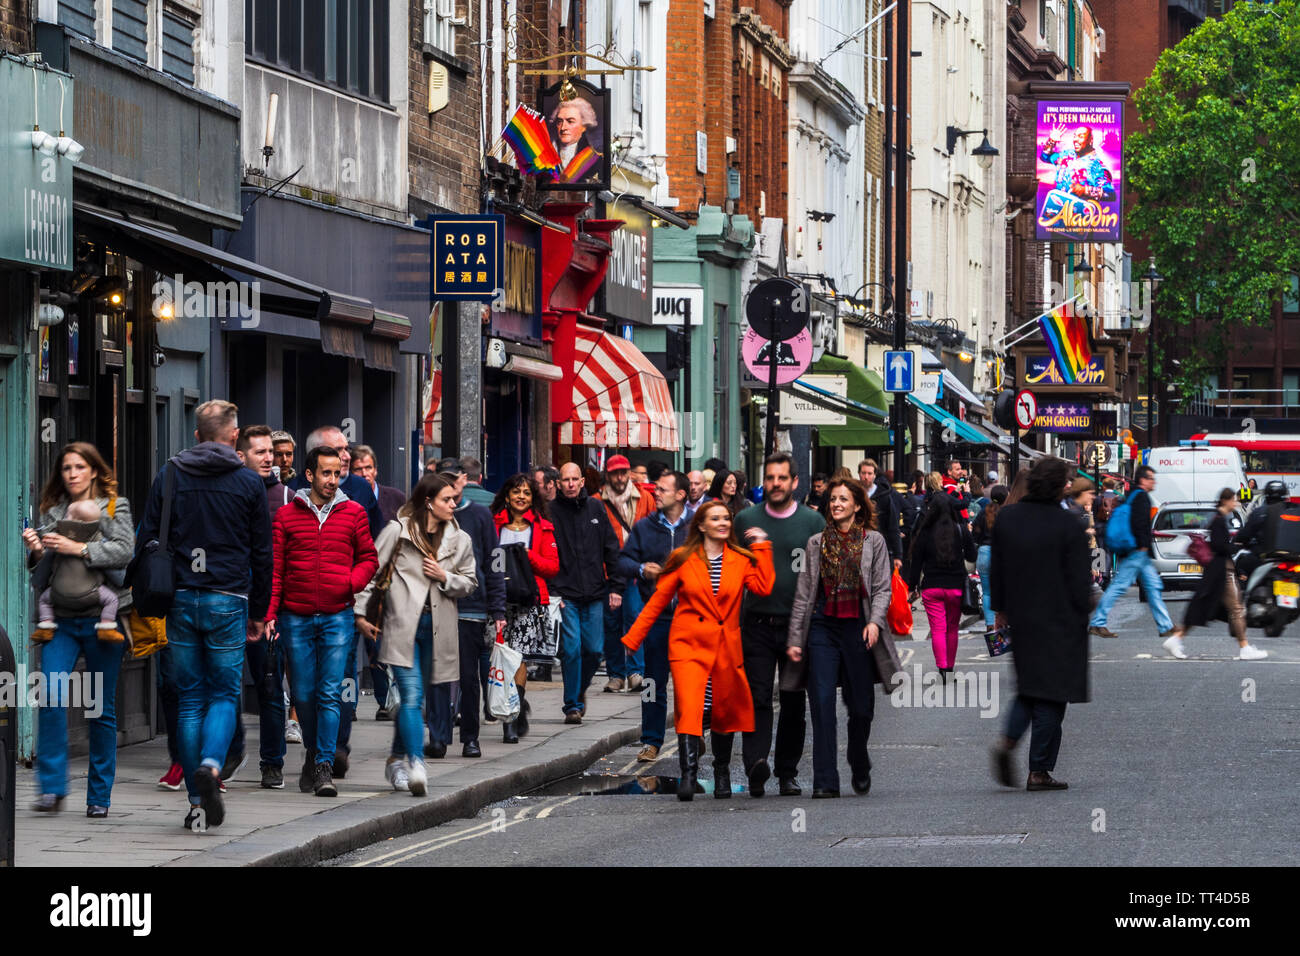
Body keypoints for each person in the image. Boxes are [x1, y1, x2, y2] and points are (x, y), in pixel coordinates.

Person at [135, 400, 272, 829]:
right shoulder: (249, 483)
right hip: (228, 599)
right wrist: (261, 610)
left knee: (190, 699)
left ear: (196, 436)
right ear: (234, 437)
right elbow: (263, 554)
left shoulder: (170, 473)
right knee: (224, 695)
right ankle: (212, 766)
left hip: (180, 598)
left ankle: (196, 799)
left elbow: (145, 538)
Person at [622, 502, 774, 801]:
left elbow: (764, 587)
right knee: (690, 707)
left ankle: (721, 772)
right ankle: (688, 774)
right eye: (715, 518)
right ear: (701, 525)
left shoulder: (741, 559)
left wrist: (762, 547)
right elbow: (657, 601)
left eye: (726, 518)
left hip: (725, 646)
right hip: (688, 644)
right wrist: (633, 639)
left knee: (723, 712)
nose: (723, 523)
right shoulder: (682, 558)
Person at [22, 443, 135, 817]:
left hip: (103, 619)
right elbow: (40, 573)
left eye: (79, 467)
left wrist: (79, 547)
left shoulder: (114, 506)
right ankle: (52, 789)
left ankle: (98, 797)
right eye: (66, 467)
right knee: (51, 695)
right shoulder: (52, 512)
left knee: (99, 709)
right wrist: (37, 549)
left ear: (93, 471)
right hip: (62, 621)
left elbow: (124, 552)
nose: (71, 473)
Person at [267, 444, 378, 796]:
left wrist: (349, 583)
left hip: (337, 616)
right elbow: (276, 571)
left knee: (330, 693)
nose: (332, 480)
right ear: (310, 475)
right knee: (302, 694)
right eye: (326, 473)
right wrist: (270, 614)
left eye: (337, 473)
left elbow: (369, 559)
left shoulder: (354, 512)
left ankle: (323, 766)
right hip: (295, 617)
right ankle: (314, 753)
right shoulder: (286, 516)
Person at [356, 474, 477, 796]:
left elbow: (470, 583)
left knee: (415, 701)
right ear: (428, 502)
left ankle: (396, 760)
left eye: (454, 499)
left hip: (438, 630)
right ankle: (416, 763)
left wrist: (445, 576)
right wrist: (358, 612)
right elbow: (372, 570)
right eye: (447, 500)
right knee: (411, 698)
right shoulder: (398, 530)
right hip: (400, 626)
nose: (454, 504)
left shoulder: (460, 539)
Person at [786, 478, 898, 798]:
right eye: (832, 499)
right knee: (821, 703)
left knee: (861, 708)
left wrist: (875, 622)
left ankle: (858, 759)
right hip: (823, 627)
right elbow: (804, 593)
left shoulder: (873, 541)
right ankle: (825, 780)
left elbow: (882, 588)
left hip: (858, 628)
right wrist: (796, 638)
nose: (836, 504)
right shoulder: (816, 543)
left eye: (843, 499)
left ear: (857, 505)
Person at [989, 457, 1092, 791]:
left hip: (1022, 617)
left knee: (1028, 687)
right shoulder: (1069, 525)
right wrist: (1087, 607)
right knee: (1052, 694)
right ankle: (1039, 771)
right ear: (1055, 485)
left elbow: (997, 569)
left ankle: (1007, 741)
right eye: (1065, 482)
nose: (1068, 486)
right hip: (1060, 620)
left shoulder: (1008, 517)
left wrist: (1000, 609)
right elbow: (1078, 581)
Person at [733, 453, 826, 797]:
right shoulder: (745, 519)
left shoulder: (813, 523)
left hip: (797, 625)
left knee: (792, 700)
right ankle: (756, 765)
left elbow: (823, 574)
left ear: (794, 482)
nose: (775, 484)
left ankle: (787, 772)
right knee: (756, 697)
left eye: (782, 478)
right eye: (770, 478)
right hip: (756, 622)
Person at [228, 424, 290, 789]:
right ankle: (232, 750)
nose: (270, 458)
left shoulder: (284, 496)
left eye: (272, 451)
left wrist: (270, 611)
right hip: (230, 601)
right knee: (225, 684)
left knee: (269, 685)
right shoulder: (231, 492)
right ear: (241, 455)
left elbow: (283, 561)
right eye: (261, 452)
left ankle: (272, 762)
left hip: (266, 609)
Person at [429, 467, 506, 758]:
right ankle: (438, 736)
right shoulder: (431, 515)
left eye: (454, 482)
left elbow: (493, 562)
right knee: (439, 675)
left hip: (471, 607)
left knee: (469, 677)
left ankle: (470, 738)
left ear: (463, 481)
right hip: (437, 606)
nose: (450, 490)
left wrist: (497, 607)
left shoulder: (480, 516)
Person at [617, 470, 692, 762]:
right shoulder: (645, 527)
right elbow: (622, 560)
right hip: (658, 617)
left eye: (662, 489)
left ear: (681, 494)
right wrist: (640, 569)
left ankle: (689, 735)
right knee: (652, 682)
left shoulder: (696, 526)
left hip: (690, 617)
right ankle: (651, 740)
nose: (655, 493)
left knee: (688, 682)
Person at [550, 462, 624, 723]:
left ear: (582, 481)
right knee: (571, 650)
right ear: (558, 483)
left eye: (574, 479)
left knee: (593, 650)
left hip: (594, 591)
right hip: (565, 593)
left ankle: (578, 690)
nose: (570, 484)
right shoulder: (551, 512)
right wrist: (551, 591)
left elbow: (611, 549)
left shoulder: (596, 508)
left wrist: (616, 587)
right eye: (565, 479)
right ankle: (572, 704)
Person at [492, 474, 560, 742]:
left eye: (527, 493)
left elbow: (553, 567)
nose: (521, 496)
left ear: (533, 498)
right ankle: (511, 708)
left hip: (529, 602)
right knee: (500, 657)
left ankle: (512, 715)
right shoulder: (493, 524)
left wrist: (525, 555)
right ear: (507, 496)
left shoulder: (543, 528)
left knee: (519, 657)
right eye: (516, 491)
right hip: (499, 602)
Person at [1164, 489, 1268, 661]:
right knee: (1236, 609)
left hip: (1219, 571)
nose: (1235, 503)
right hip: (1222, 572)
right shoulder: (1218, 521)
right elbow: (1220, 546)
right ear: (1225, 501)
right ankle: (1245, 648)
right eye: (1233, 500)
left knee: (1202, 607)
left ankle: (1176, 639)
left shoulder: (1219, 520)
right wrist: (1236, 547)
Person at [1089, 465, 1177, 639]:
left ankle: (1165, 625)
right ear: (1143, 480)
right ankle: (1097, 622)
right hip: (1136, 550)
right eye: (1151, 478)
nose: (1154, 482)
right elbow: (1140, 524)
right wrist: (1143, 546)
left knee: (1152, 587)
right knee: (1119, 586)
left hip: (1129, 548)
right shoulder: (1142, 497)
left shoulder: (1131, 496)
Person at [31, 498, 123, 644]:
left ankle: (45, 627)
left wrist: (39, 547)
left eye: (67, 514)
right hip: (93, 593)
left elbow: (39, 576)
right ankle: (106, 627)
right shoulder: (99, 541)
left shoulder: (56, 539)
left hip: (57, 593)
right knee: (112, 600)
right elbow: (121, 579)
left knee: (43, 601)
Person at [599, 454, 654, 692]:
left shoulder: (645, 498)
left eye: (623, 472)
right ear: (608, 475)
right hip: (607, 572)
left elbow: (653, 529)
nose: (620, 477)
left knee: (634, 619)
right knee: (611, 624)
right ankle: (616, 674)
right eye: (615, 473)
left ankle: (635, 671)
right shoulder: (597, 501)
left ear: (629, 473)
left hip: (633, 571)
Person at [907, 490, 976, 677]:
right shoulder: (961, 529)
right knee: (952, 628)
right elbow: (972, 555)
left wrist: (912, 587)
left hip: (932, 588)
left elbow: (916, 564)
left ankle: (942, 667)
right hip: (955, 587)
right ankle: (950, 667)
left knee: (937, 629)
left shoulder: (924, 532)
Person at [286, 426, 383, 540]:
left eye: (347, 449)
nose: (347, 456)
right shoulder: (292, 491)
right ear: (315, 453)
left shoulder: (362, 487)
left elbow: (377, 535)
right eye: (338, 450)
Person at [1040, 124, 1116, 202]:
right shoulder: (1066, 155)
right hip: (1055, 209)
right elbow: (1044, 157)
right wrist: (1051, 141)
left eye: (1080, 136)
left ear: (1090, 140)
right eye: (1075, 136)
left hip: (1079, 212)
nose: (1075, 139)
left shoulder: (1097, 166)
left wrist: (1085, 190)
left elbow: (1110, 195)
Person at [971, 484, 1008, 636]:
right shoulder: (1006, 513)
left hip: (984, 552)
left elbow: (975, 533)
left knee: (986, 592)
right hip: (1000, 553)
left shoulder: (983, 512)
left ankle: (989, 625)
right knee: (1002, 589)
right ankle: (1002, 621)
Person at [858, 458, 903, 568]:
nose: (866, 477)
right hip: (857, 545)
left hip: (879, 545)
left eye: (869, 473)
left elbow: (892, 525)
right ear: (859, 474)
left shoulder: (884, 496)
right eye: (863, 473)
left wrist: (897, 555)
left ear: (874, 475)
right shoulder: (854, 494)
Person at [549, 97, 604, 184]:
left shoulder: (595, 160)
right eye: (559, 122)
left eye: (570, 121)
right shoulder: (545, 153)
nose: (563, 128)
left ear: (584, 126)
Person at [351, 443, 407, 524]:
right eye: (358, 469)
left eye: (368, 468)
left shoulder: (397, 498)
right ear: (350, 473)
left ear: (375, 470)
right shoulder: (344, 501)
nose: (364, 474)